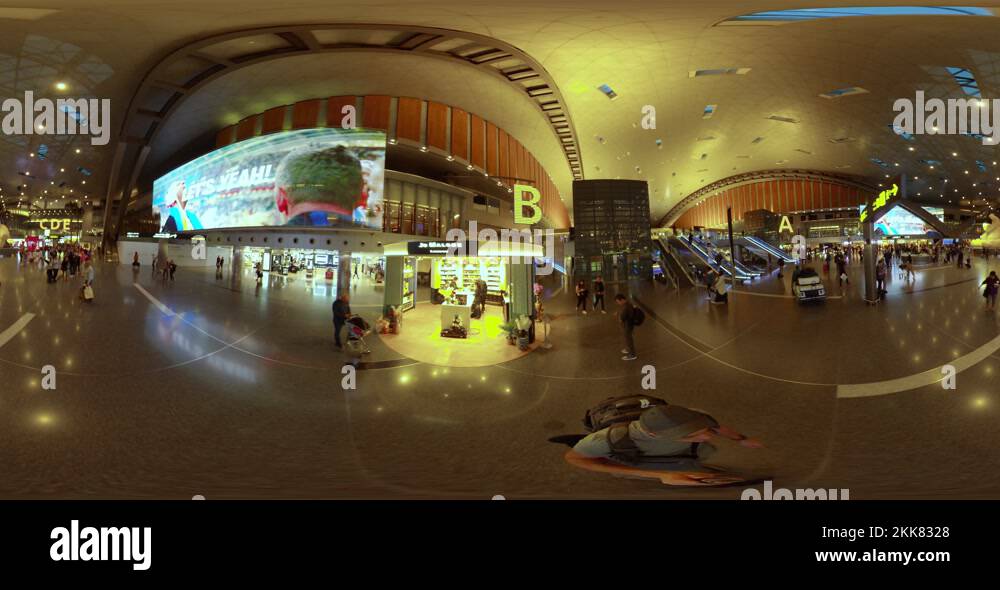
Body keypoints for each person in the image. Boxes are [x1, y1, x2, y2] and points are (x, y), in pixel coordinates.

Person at [615, 293, 637, 361]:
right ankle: (628, 349)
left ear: (622, 300)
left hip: (628, 325)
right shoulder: (628, 304)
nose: (618, 303)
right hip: (629, 325)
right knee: (628, 338)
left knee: (628, 339)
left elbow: (623, 317)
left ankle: (632, 354)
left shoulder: (626, 307)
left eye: (618, 302)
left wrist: (620, 318)